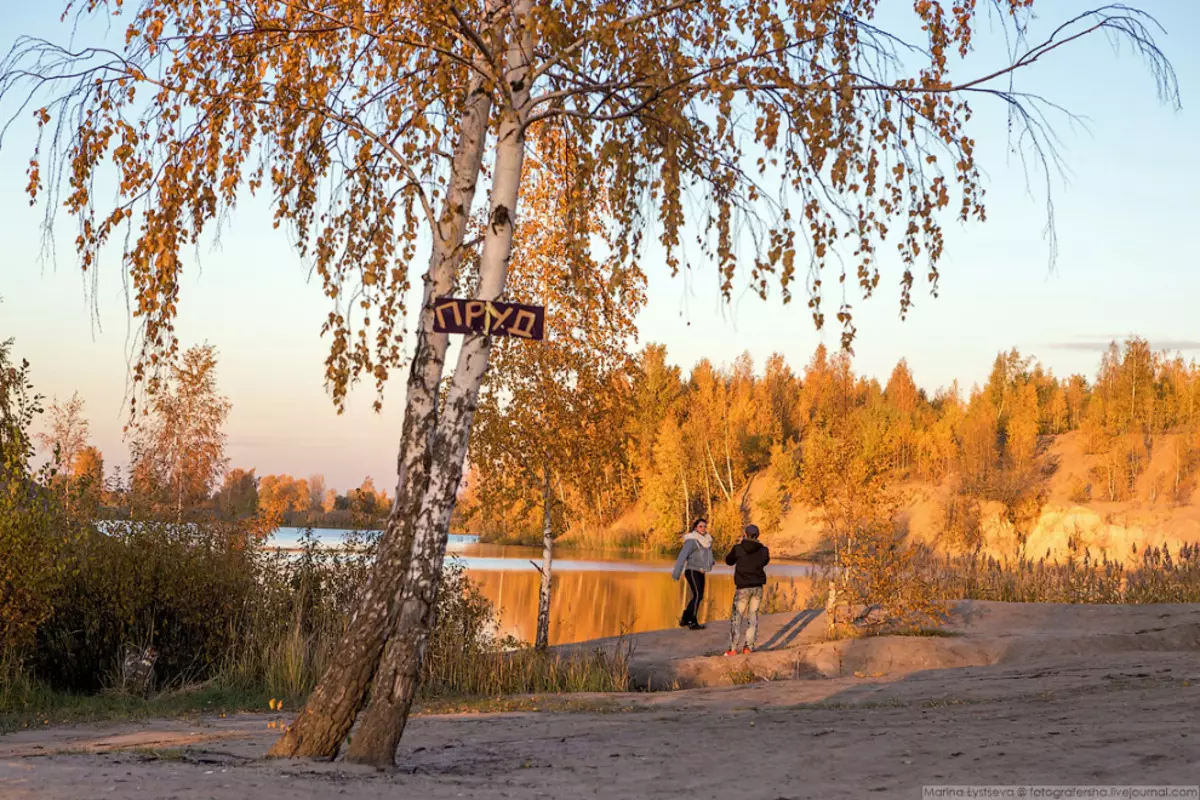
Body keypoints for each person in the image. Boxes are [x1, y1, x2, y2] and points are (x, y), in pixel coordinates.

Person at [724, 523, 770, 655]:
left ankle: (733, 649)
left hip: (743, 587)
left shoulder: (739, 548)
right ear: (758, 535)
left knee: (737, 617)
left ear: (745, 534)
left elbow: (728, 561)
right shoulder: (764, 550)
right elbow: (765, 561)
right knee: (753, 617)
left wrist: (741, 544)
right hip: (757, 587)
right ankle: (748, 648)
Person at [671, 517, 714, 630]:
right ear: (695, 528)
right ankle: (692, 621)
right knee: (698, 595)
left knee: (698, 596)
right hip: (692, 571)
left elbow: (708, 556)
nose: (703, 528)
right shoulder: (691, 540)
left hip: (701, 572)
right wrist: (676, 573)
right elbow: (682, 557)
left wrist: (710, 564)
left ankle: (685, 618)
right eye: (700, 526)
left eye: (704, 526)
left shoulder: (707, 540)